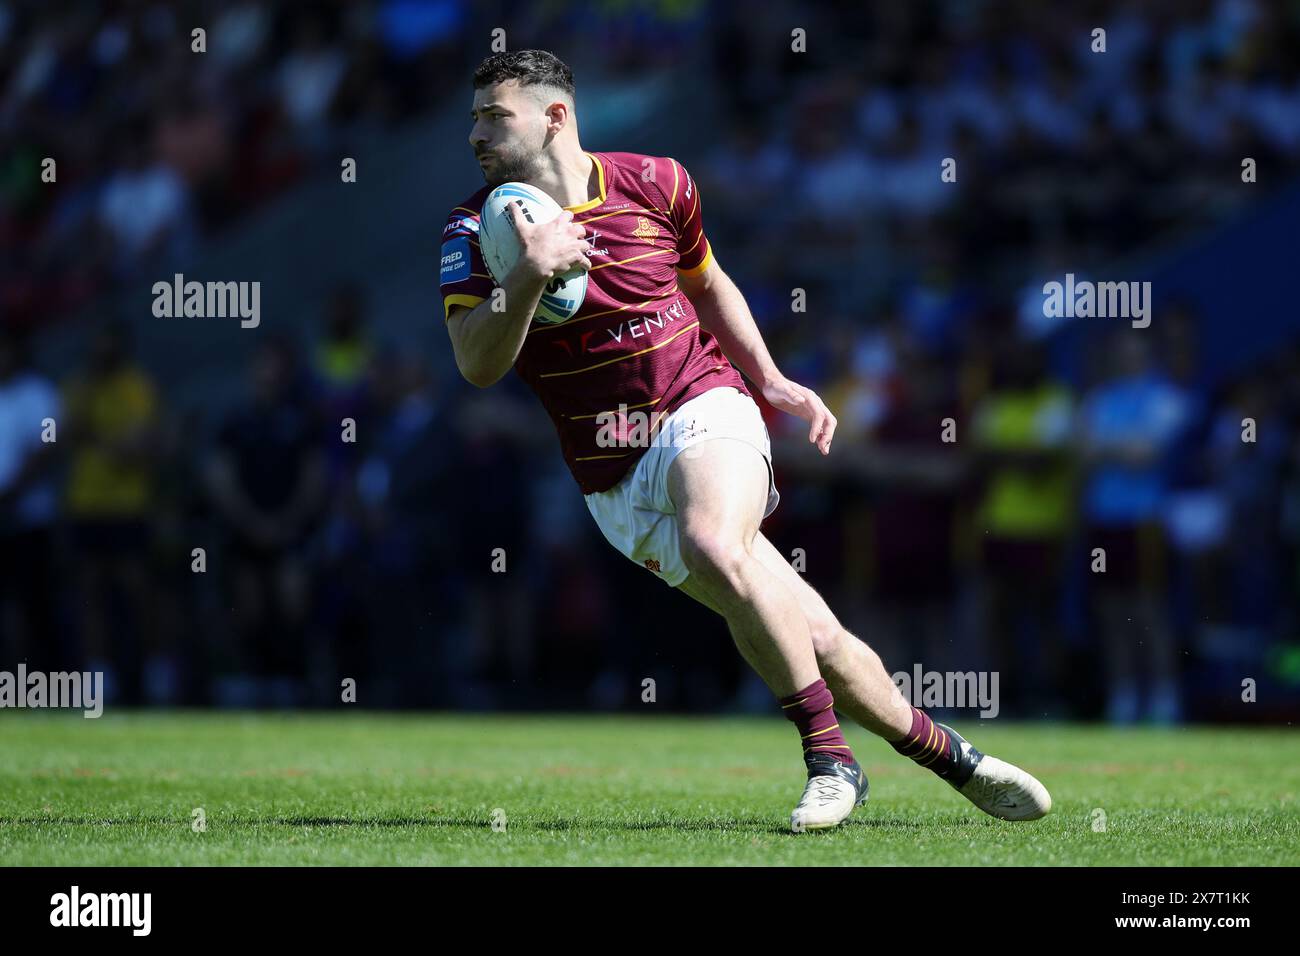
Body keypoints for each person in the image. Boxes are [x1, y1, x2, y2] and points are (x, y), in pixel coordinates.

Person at [440, 50, 1050, 831]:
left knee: (713, 542)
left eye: (495, 116)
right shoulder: (471, 228)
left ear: (555, 116)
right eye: (473, 119)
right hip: (611, 476)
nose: (476, 135)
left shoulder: (657, 181)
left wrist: (768, 378)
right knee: (814, 633)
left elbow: (708, 282)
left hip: (703, 406)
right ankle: (954, 757)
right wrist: (528, 275)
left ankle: (830, 760)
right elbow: (477, 364)